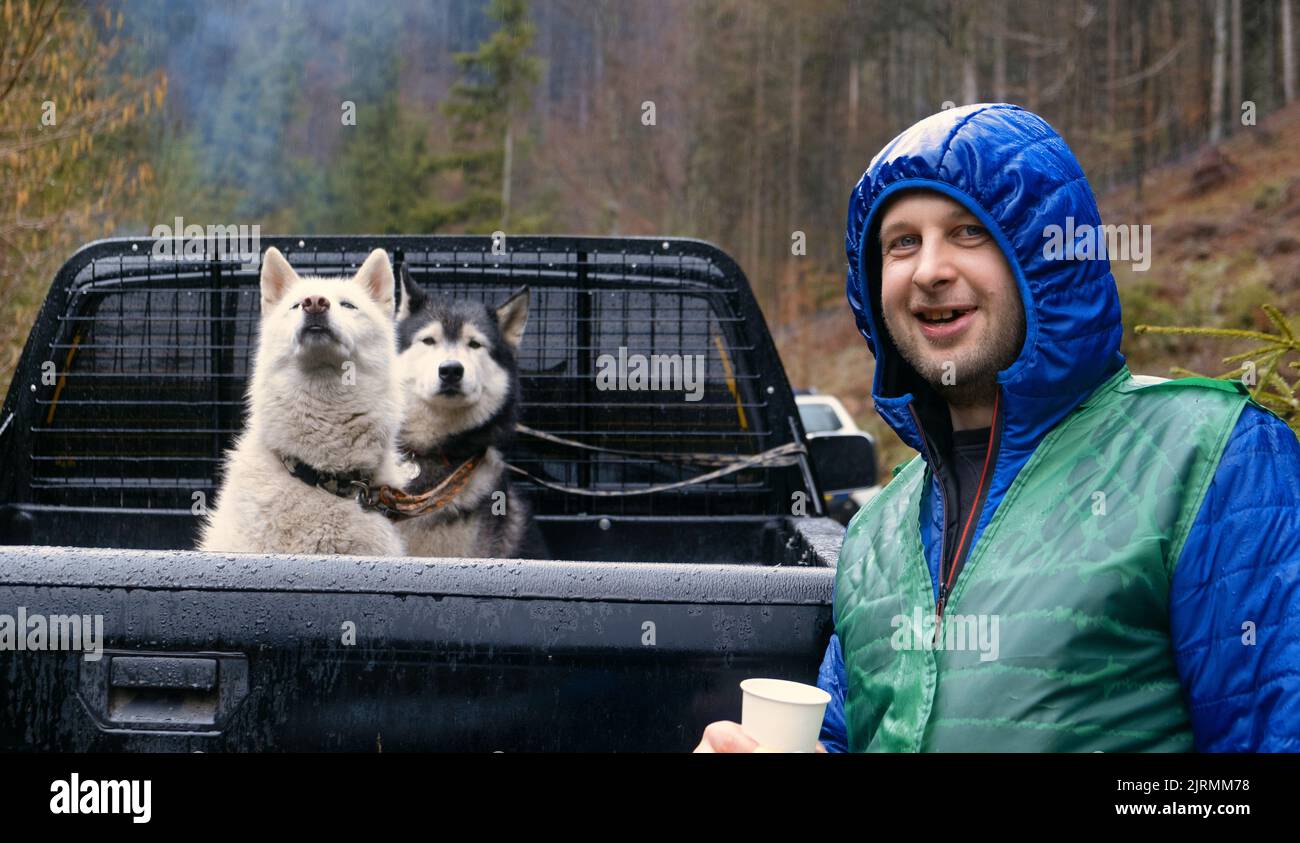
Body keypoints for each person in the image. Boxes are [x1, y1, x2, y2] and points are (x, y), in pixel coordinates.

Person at [696, 103, 1300, 752]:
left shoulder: (1209, 455)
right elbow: (851, 735)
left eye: (967, 231)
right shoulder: (878, 533)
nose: (928, 270)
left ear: (1046, 258)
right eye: (903, 242)